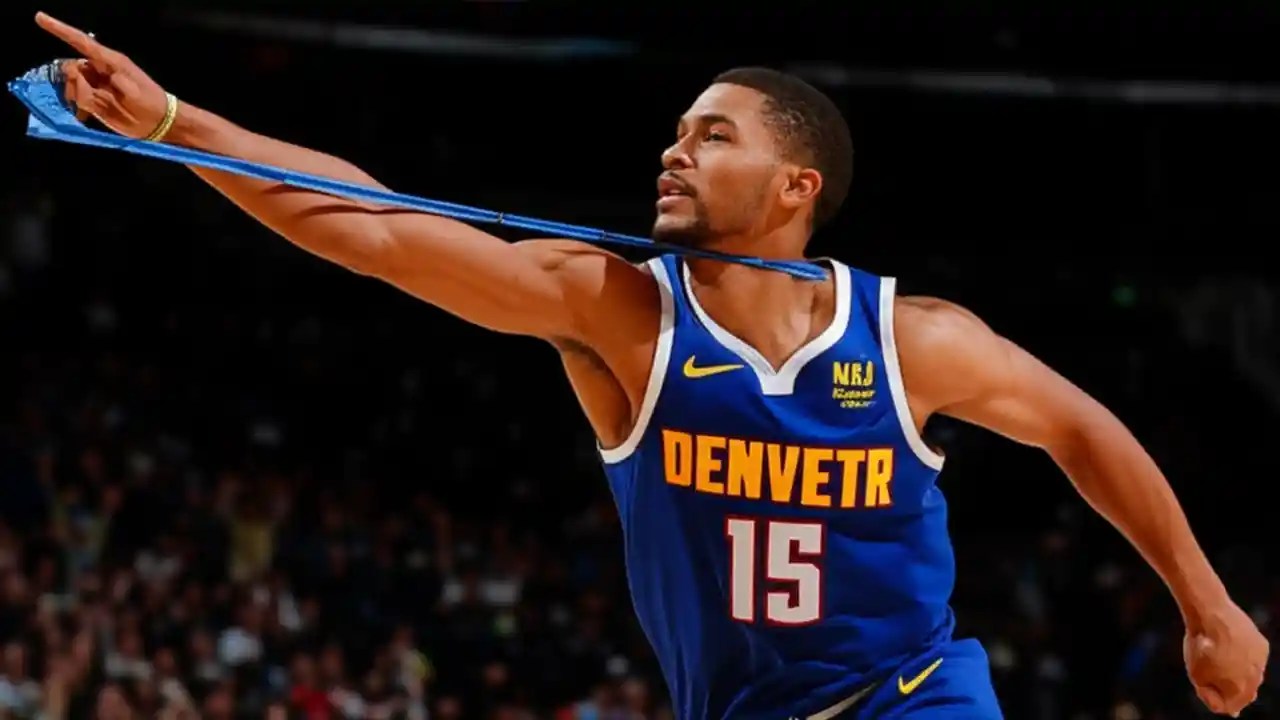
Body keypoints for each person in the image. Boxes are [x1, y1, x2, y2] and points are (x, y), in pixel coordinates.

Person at [33, 11, 1268, 719]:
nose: (672, 153)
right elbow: (368, 225)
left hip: (916, 698)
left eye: (709, 135)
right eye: (674, 132)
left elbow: (1083, 431)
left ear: (796, 188)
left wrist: (1207, 608)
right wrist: (166, 125)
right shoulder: (617, 310)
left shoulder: (908, 340)